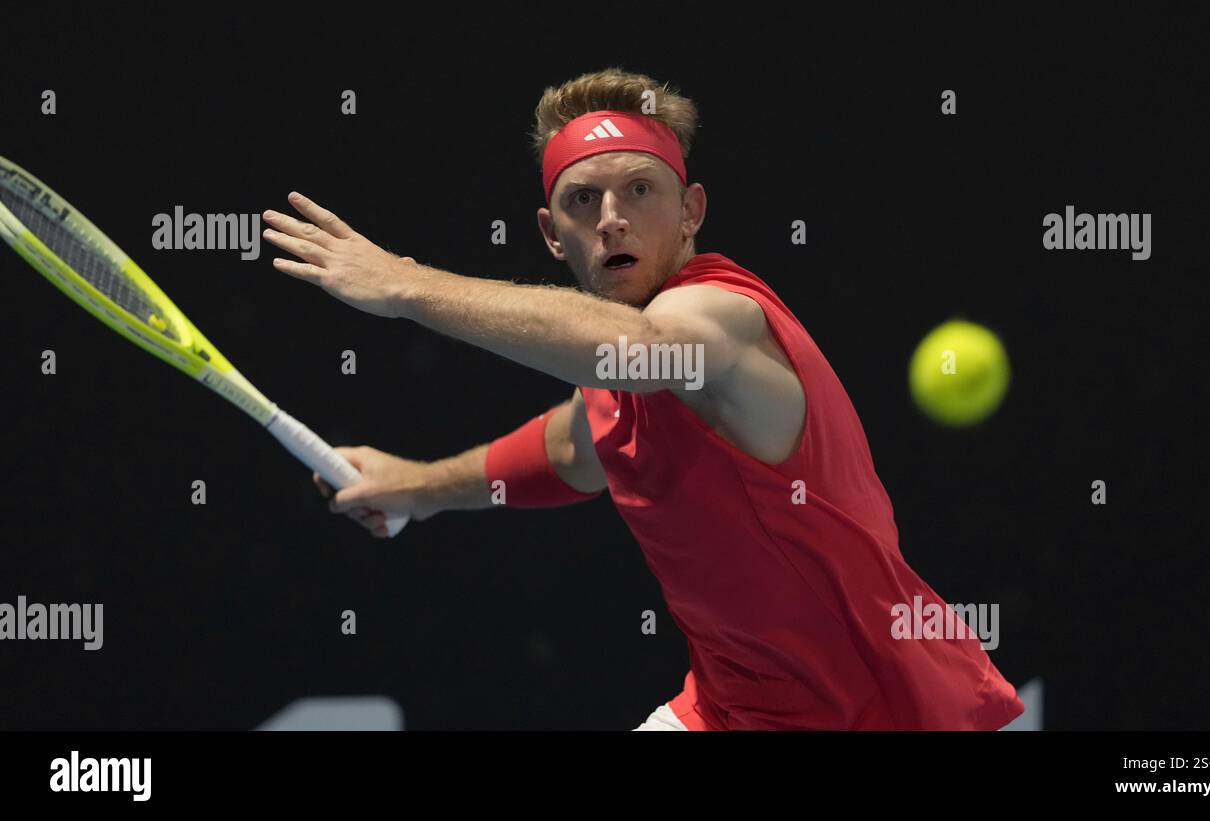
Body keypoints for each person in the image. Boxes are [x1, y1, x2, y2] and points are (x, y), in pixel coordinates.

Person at [261, 67, 1024, 730]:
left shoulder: (719, 317)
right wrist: (418, 487)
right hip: (724, 711)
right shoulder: (619, 374)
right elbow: (572, 449)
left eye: (639, 190)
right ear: (551, 233)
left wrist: (406, 284)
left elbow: (635, 352)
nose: (612, 217)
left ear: (691, 210)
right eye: (583, 200)